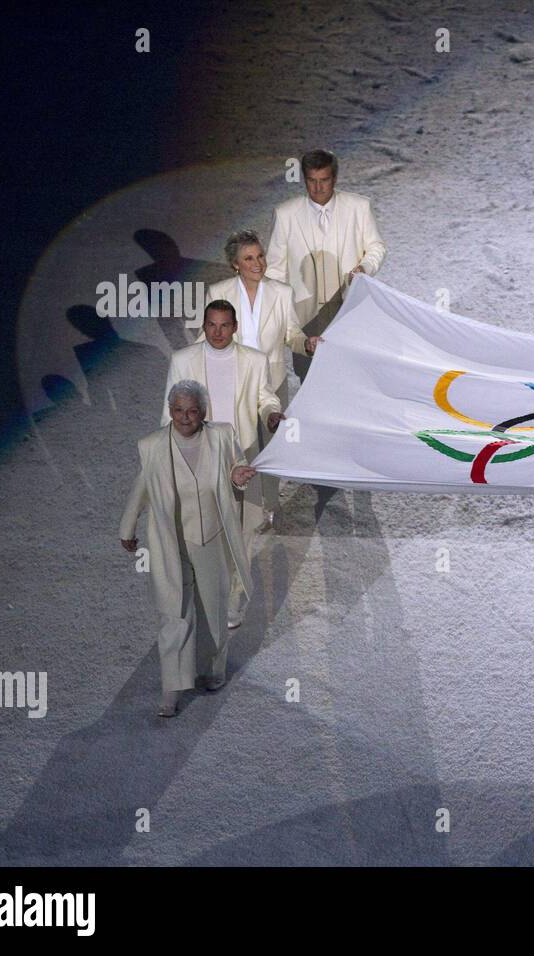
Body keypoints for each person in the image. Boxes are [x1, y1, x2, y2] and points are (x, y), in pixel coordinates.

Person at [120, 381, 257, 717]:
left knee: (213, 608)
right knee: (173, 613)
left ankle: (212, 670)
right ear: (170, 411)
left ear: (203, 412)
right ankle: (172, 688)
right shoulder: (152, 446)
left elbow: (233, 469)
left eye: (192, 410)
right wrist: (127, 526)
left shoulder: (221, 436)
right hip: (171, 543)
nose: (185, 417)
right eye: (179, 410)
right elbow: (143, 486)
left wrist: (238, 475)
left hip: (209, 537)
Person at [162, 300, 283, 626]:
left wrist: (271, 413)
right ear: (203, 324)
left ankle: (232, 601)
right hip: (198, 457)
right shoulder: (183, 360)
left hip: (239, 456)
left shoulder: (254, 361)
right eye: (211, 324)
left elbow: (265, 396)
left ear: (235, 327)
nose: (217, 332)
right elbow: (168, 412)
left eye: (224, 325)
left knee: (241, 535)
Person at [204, 230, 321, 530]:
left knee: (271, 444)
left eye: (260, 256)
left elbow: (291, 335)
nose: (257, 263)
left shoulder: (281, 293)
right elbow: (207, 337)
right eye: (249, 258)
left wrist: (305, 344)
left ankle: (271, 505)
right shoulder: (218, 293)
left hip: (272, 381)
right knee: (244, 445)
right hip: (235, 381)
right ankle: (247, 506)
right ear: (235, 265)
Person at [265, 148, 386, 333]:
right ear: (304, 179)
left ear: (335, 179)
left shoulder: (359, 207)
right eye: (311, 181)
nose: (318, 187)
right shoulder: (285, 214)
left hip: (350, 310)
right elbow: (275, 269)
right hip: (305, 316)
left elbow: (376, 246)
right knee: (307, 363)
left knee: (349, 362)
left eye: (324, 180)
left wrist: (365, 267)